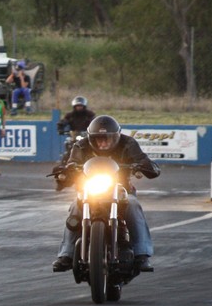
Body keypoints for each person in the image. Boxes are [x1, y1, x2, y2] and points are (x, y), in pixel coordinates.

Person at [51, 115, 160, 273]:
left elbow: (146, 162)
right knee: (75, 205)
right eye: (98, 139)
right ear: (91, 139)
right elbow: (71, 163)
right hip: (90, 189)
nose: (102, 143)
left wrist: (145, 166)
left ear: (115, 137)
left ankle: (142, 254)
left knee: (134, 204)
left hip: (122, 189)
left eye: (106, 139)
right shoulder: (81, 145)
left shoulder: (128, 143)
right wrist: (65, 170)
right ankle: (66, 254)